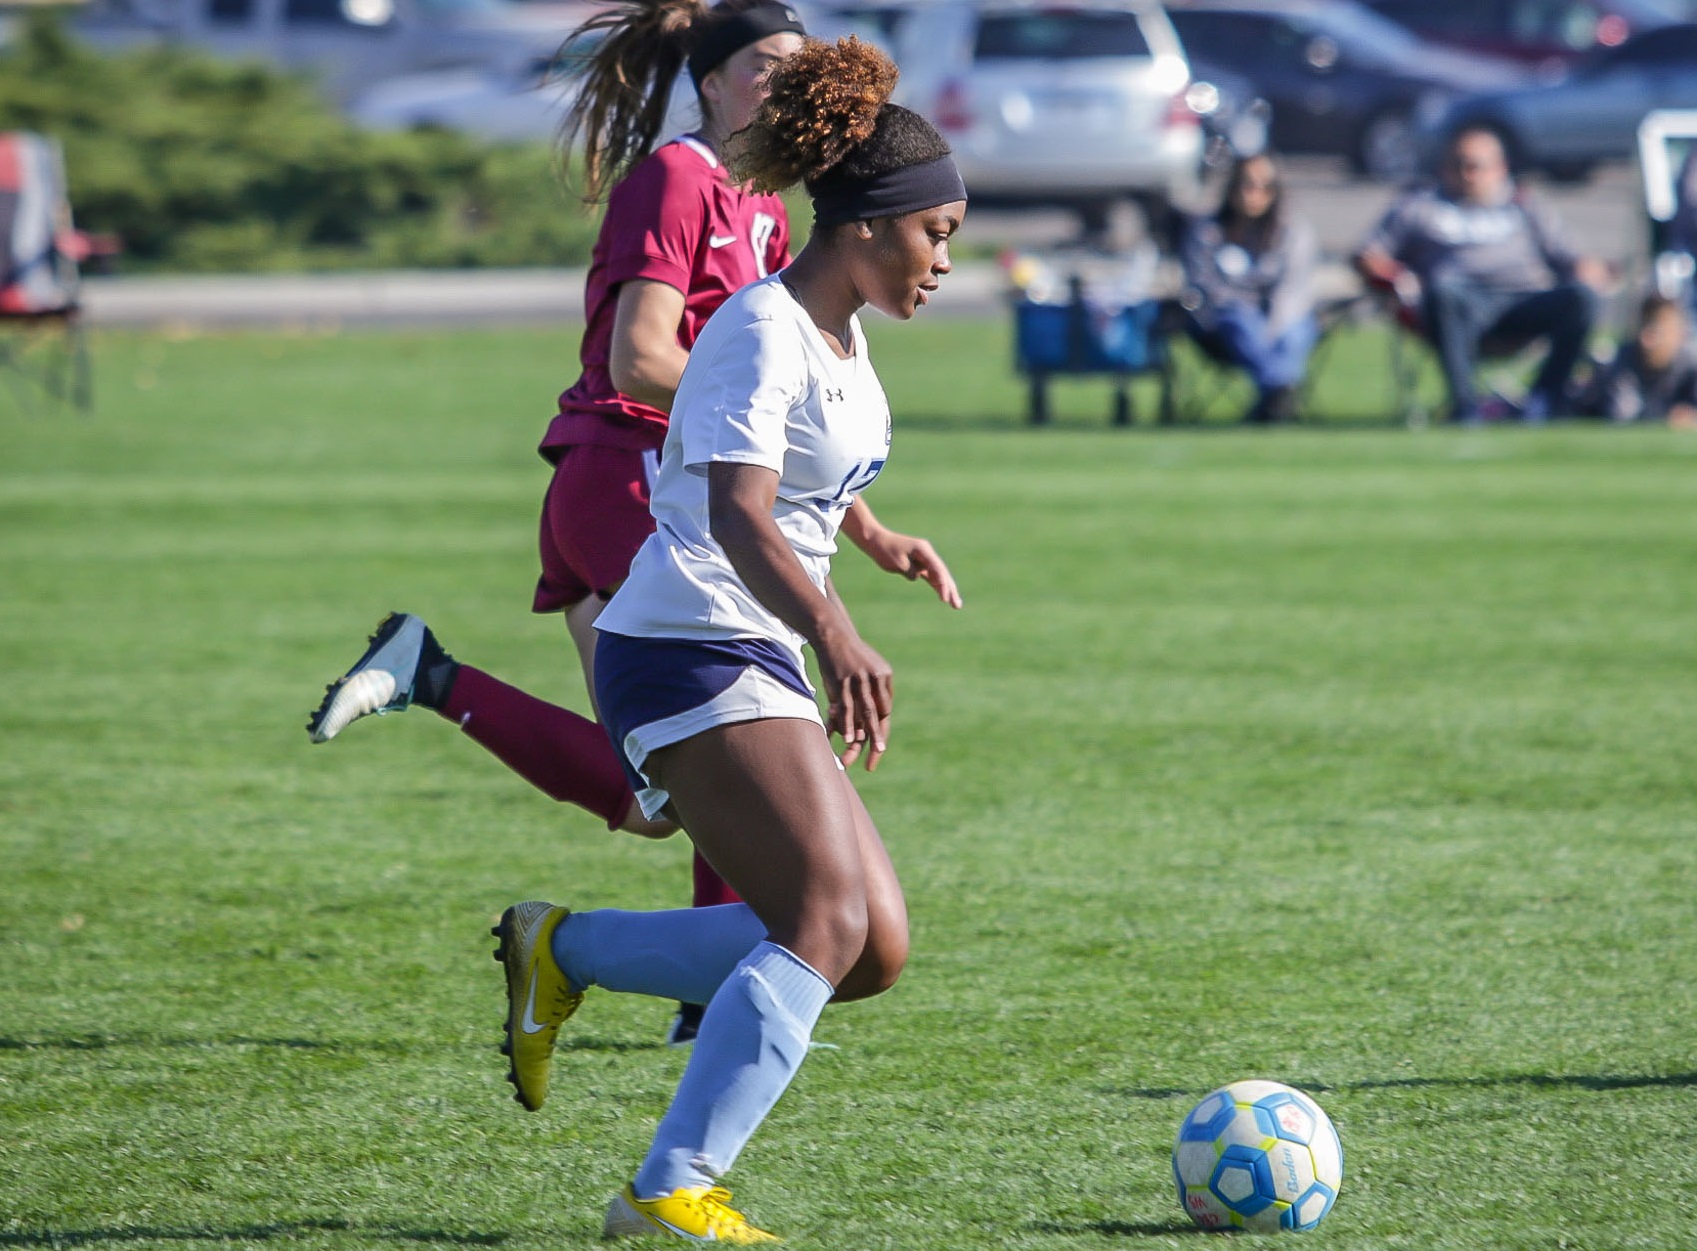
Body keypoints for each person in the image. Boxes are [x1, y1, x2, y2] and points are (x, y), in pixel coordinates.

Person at [304, 0, 961, 1046]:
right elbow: (640, 359)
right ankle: (714, 1005)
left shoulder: (756, 206)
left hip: (662, 485)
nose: (783, 86)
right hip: (625, 475)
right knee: (740, 744)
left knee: (658, 795)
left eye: (798, 69)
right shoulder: (677, 177)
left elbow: (773, 411)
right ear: (708, 80)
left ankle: (435, 679)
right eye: (765, 65)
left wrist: (867, 527)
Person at [492, 35, 966, 1242]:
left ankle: (568, 948)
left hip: (751, 642)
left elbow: (804, 480)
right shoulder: (756, 325)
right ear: (865, 226)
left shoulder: (842, 341)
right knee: (821, 921)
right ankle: (669, 1193)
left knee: (871, 950)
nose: (945, 261)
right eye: (936, 233)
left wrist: (870, 536)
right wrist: (839, 631)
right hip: (691, 640)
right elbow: (731, 505)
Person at [1354, 125, 1608, 424]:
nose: (1467, 174)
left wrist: (1589, 273)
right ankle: (1465, 406)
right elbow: (1369, 255)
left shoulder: (1526, 205)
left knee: (1582, 299)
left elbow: (1573, 258)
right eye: (1458, 165)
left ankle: (1544, 401)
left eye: (1476, 166)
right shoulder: (1421, 206)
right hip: (1458, 304)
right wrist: (1395, 278)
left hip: (1525, 302)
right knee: (1446, 292)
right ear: (1444, 166)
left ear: (1501, 168)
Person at [1179, 152, 1318, 424]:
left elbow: (1293, 286)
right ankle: (1279, 389)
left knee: (1296, 331)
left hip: (1282, 317)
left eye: (1264, 186)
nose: (1253, 194)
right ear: (1231, 188)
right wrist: (1246, 310)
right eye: (1246, 184)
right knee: (1242, 322)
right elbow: (1205, 285)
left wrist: (1272, 323)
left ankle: (1273, 397)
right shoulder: (1208, 231)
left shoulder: (1292, 232)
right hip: (1226, 321)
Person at [1579, 293, 1697, 427]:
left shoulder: (1689, 364)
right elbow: (1621, 413)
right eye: (1647, 327)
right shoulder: (1625, 360)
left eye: (1660, 330)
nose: (1648, 337)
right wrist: (1667, 417)